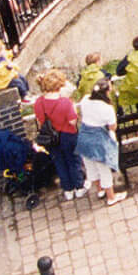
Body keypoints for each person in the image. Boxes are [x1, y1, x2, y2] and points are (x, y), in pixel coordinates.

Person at [32, 70, 86, 199]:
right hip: (68, 135)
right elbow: (72, 122)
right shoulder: (65, 102)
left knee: (60, 162)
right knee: (73, 161)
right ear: (59, 86)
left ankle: (68, 190)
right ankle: (79, 187)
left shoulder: (38, 103)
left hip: (51, 138)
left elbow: (40, 122)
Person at [74, 80, 125, 205]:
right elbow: (113, 127)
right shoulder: (107, 108)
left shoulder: (86, 99)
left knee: (90, 167)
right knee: (104, 170)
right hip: (98, 140)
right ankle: (111, 197)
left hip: (84, 138)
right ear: (107, 92)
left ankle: (100, 190)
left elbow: (81, 114)